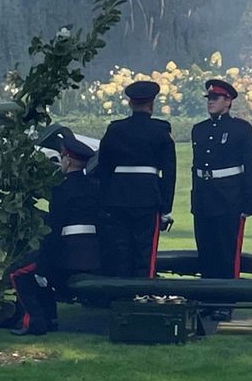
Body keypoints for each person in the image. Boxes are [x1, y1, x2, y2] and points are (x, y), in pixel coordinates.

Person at [9, 129, 102, 335]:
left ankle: (34, 321)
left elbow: (54, 231)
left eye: (62, 157)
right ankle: (50, 320)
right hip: (94, 253)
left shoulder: (61, 189)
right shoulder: (95, 186)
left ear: (68, 161)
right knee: (41, 274)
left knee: (19, 272)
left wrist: (42, 265)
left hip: (70, 254)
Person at [95, 80, 177, 278]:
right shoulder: (161, 131)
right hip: (148, 197)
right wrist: (165, 206)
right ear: (152, 104)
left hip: (118, 198)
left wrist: (105, 199)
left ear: (131, 103)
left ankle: (122, 295)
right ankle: (143, 293)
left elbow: (103, 169)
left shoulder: (115, 130)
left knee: (121, 251)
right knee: (145, 252)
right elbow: (169, 174)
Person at [190, 78, 252, 283]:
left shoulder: (241, 129)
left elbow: (251, 166)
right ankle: (207, 299)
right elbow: (197, 167)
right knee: (206, 252)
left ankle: (225, 301)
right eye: (209, 98)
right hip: (204, 198)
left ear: (228, 101)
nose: (210, 101)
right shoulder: (199, 129)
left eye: (215, 97)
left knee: (226, 253)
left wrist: (250, 200)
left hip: (228, 198)